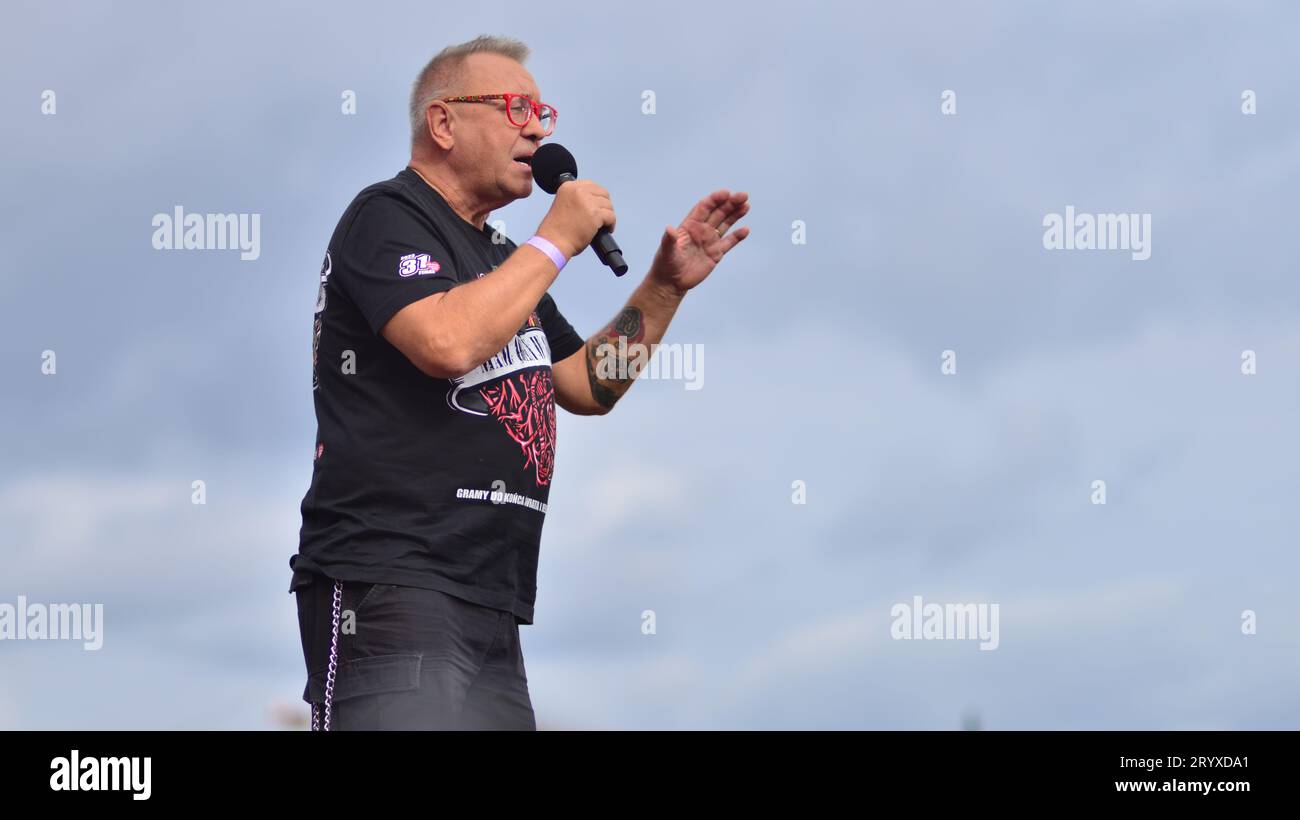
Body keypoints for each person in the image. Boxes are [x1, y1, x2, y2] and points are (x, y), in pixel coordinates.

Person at [290, 34, 750, 730]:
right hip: (388, 581)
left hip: (491, 597)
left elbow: (588, 386)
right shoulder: (387, 216)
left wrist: (663, 288)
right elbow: (446, 342)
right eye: (514, 108)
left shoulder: (505, 257)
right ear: (443, 123)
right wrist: (557, 239)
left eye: (544, 114)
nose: (536, 128)